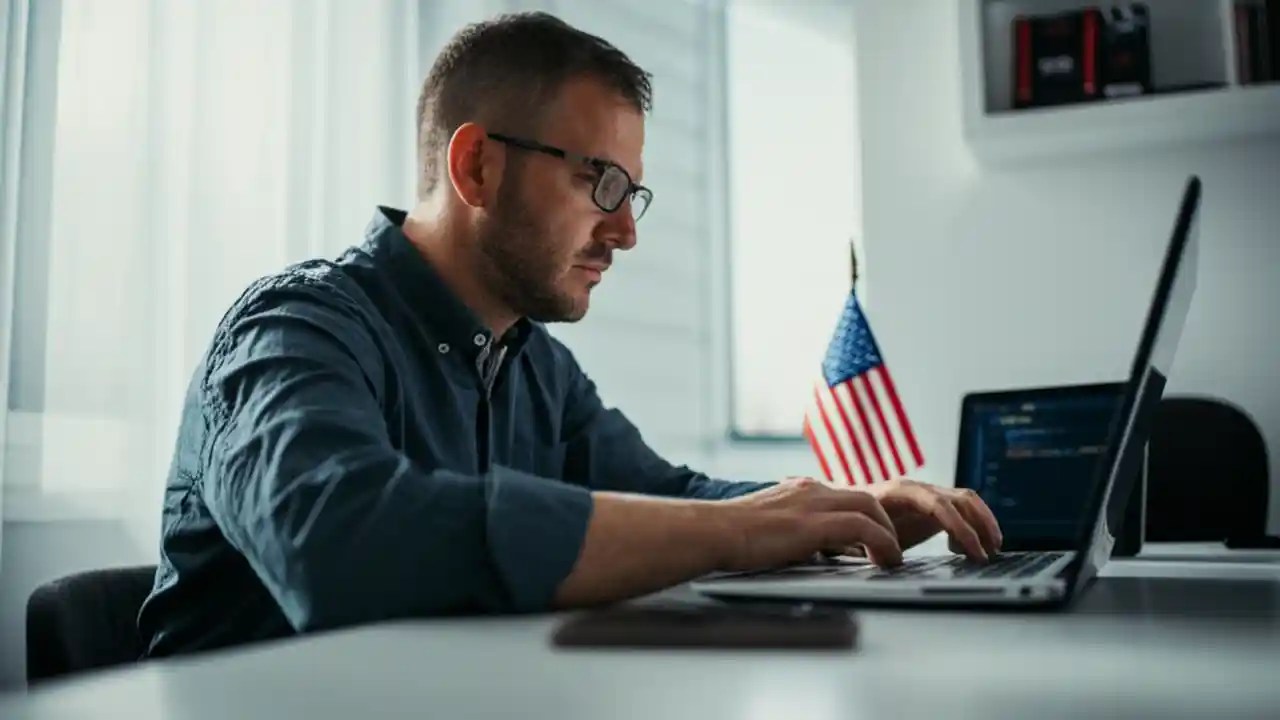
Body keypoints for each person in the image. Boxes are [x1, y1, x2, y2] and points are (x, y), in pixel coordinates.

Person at [138, 11, 1002, 657]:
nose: (626, 232)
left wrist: (839, 510)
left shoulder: (536, 369)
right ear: (477, 165)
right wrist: (743, 530)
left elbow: (673, 499)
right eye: (601, 183)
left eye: (635, 195)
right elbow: (340, 545)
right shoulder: (292, 330)